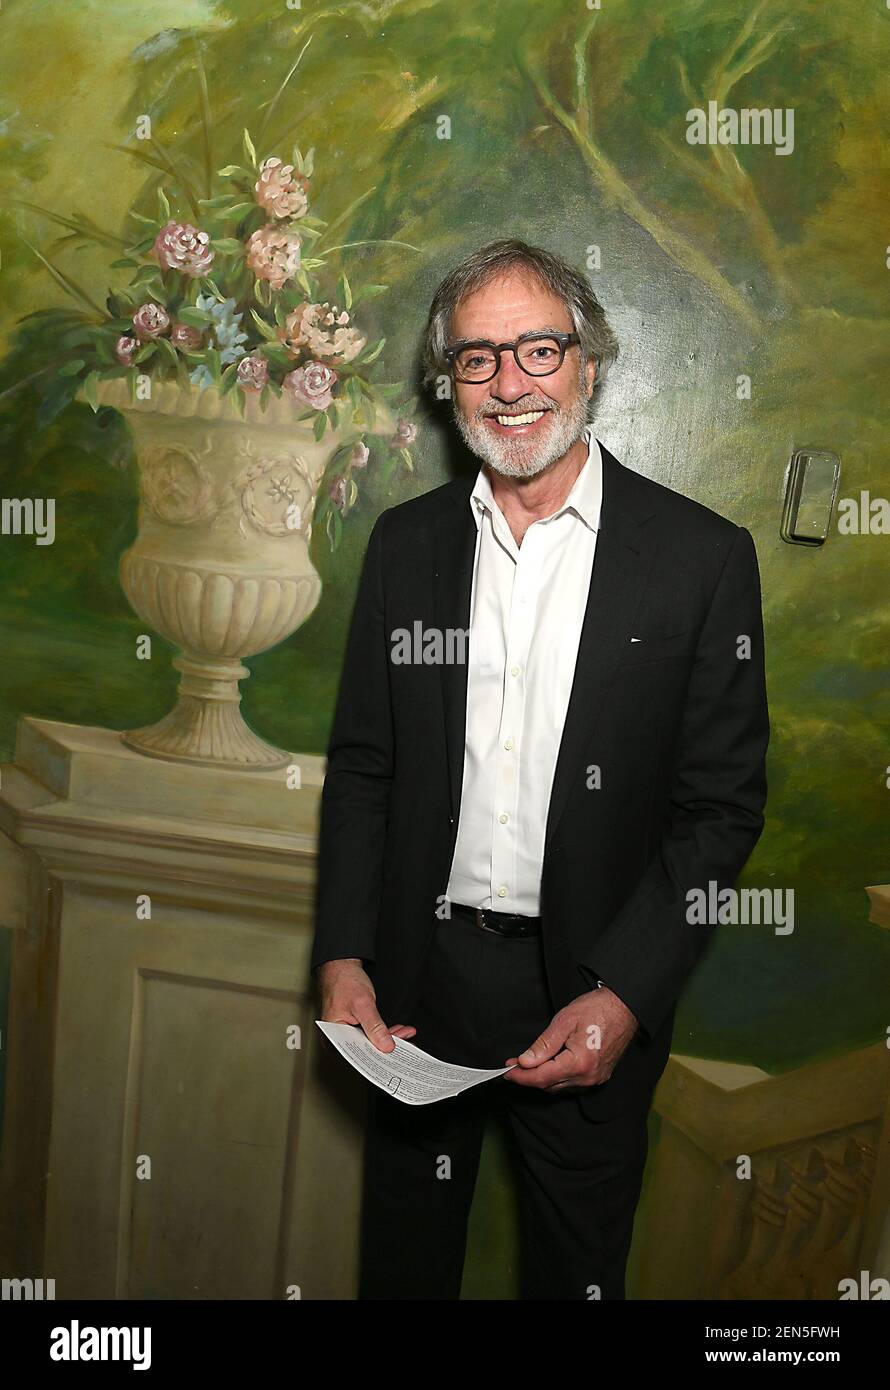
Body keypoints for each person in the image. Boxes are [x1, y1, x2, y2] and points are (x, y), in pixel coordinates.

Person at [312, 237, 769, 1300]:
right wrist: (341, 953)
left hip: (593, 987)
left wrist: (625, 995)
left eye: (537, 349)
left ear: (589, 362)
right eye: (477, 359)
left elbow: (719, 810)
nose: (509, 384)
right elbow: (364, 769)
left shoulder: (700, 558)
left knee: (575, 1280)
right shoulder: (403, 547)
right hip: (414, 988)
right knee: (402, 1274)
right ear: (448, 382)